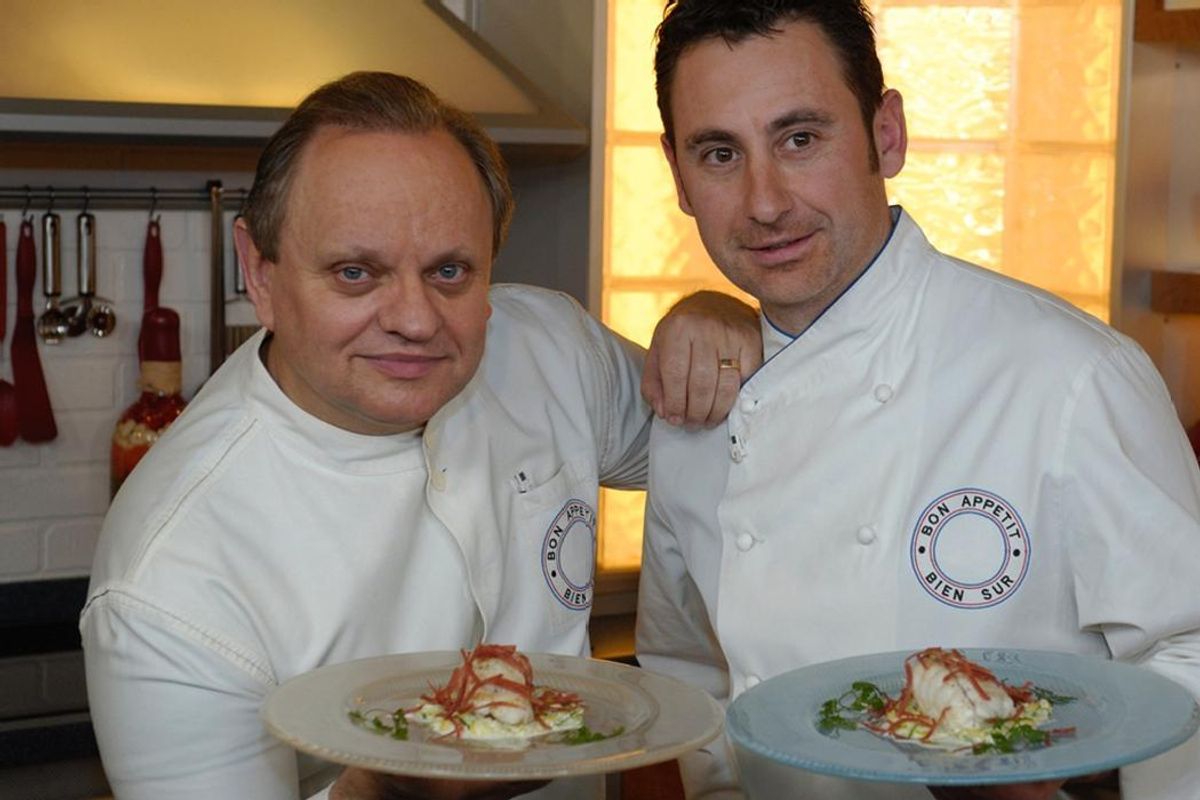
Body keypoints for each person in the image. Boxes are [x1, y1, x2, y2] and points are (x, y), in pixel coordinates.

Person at [80, 72, 759, 800]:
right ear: (261, 273)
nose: (414, 318)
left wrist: (720, 320)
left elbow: (735, 437)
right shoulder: (165, 579)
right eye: (355, 273)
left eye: (449, 271)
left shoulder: (550, 348)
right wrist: (380, 791)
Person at [634, 3, 1200, 800]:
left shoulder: (1069, 375)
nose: (764, 202)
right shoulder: (694, 398)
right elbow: (688, 679)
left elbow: (1190, 653)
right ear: (678, 175)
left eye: (801, 139)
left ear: (886, 134)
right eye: (720, 153)